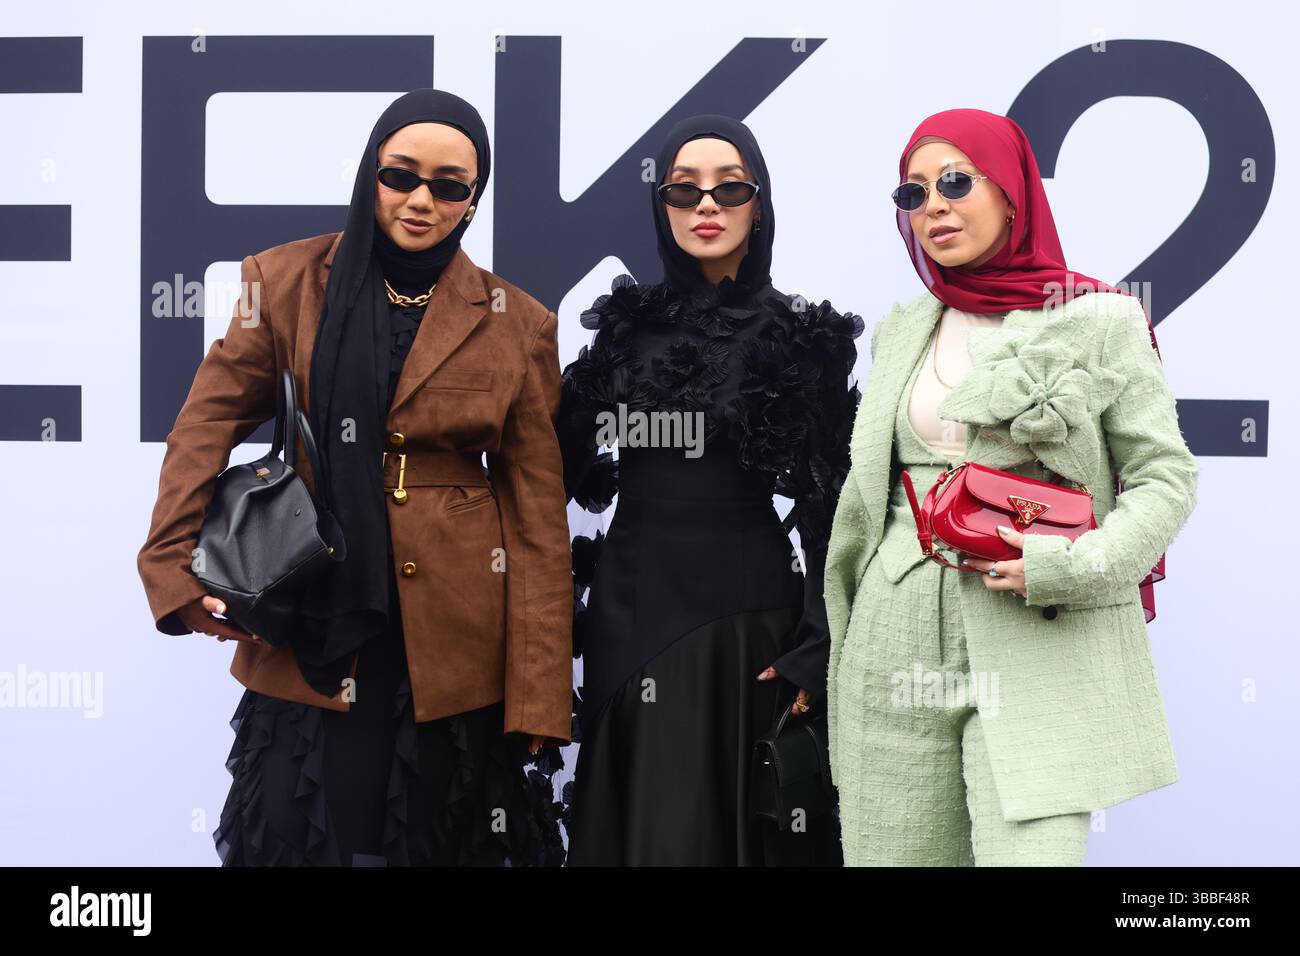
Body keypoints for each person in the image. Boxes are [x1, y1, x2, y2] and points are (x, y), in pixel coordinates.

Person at [137, 89, 572, 866]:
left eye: (449, 186)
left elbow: (538, 520)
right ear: (371, 173)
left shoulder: (519, 322)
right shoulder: (283, 281)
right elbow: (203, 427)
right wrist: (171, 569)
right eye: (400, 175)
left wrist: (539, 689)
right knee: (298, 831)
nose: (420, 200)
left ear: (474, 200)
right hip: (310, 611)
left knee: (436, 838)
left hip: (455, 646)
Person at [823, 108, 1199, 865]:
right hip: (893, 635)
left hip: (1039, 633)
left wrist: (1073, 565)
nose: (933, 205)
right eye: (913, 193)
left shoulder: (1100, 318)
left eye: (955, 182)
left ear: (1011, 192)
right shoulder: (905, 326)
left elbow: (1166, 478)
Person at [559, 115, 861, 865]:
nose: (707, 205)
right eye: (684, 190)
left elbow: (833, 509)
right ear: (661, 206)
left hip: (748, 628)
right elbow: (547, 472)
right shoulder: (624, 331)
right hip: (631, 619)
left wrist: (818, 646)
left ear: (758, 204)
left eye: (730, 188)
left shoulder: (801, 335)